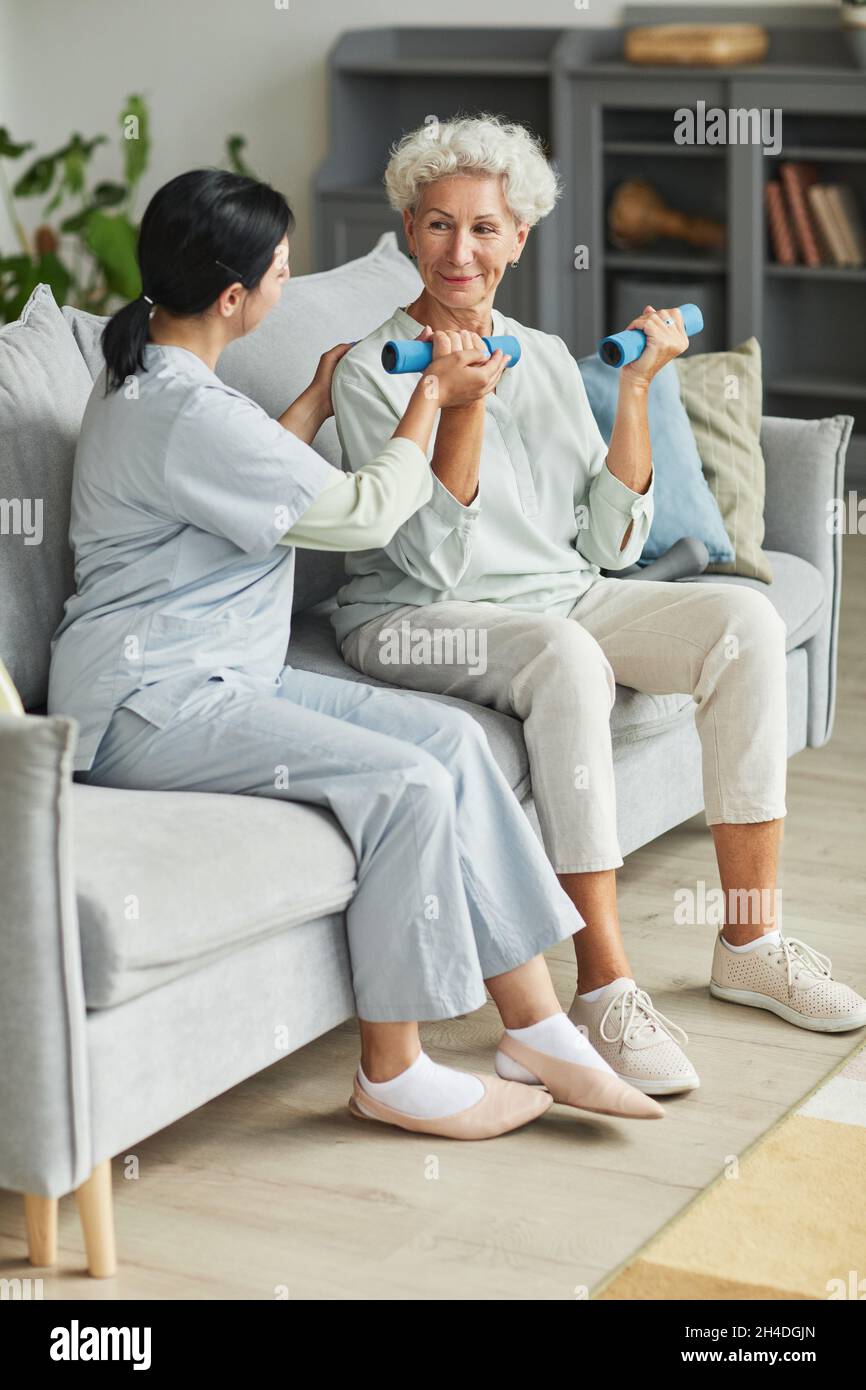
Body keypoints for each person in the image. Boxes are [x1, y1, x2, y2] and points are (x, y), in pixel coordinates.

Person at [47, 167, 664, 1143]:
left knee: (456, 749)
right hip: (149, 701)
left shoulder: (164, 381)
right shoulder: (181, 410)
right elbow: (361, 513)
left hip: (226, 674)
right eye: (283, 273)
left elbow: (247, 493)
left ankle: (538, 1027)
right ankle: (392, 1070)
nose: (291, 286)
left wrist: (316, 400)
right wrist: (431, 394)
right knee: (407, 784)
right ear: (234, 296)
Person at [330, 115, 866, 1096]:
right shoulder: (372, 370)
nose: (460, 250)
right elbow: (431, 554)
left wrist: (629, 391)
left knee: (740, 624)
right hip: (415, 611)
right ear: (408, 230)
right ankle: (602, 988)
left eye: (483, 228)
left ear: (520, 237)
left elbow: (604, 542)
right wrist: (460, 403)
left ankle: (747, 939)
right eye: (439, 225)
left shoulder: (534, 349)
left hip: (557, 591)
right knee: (565, 655)